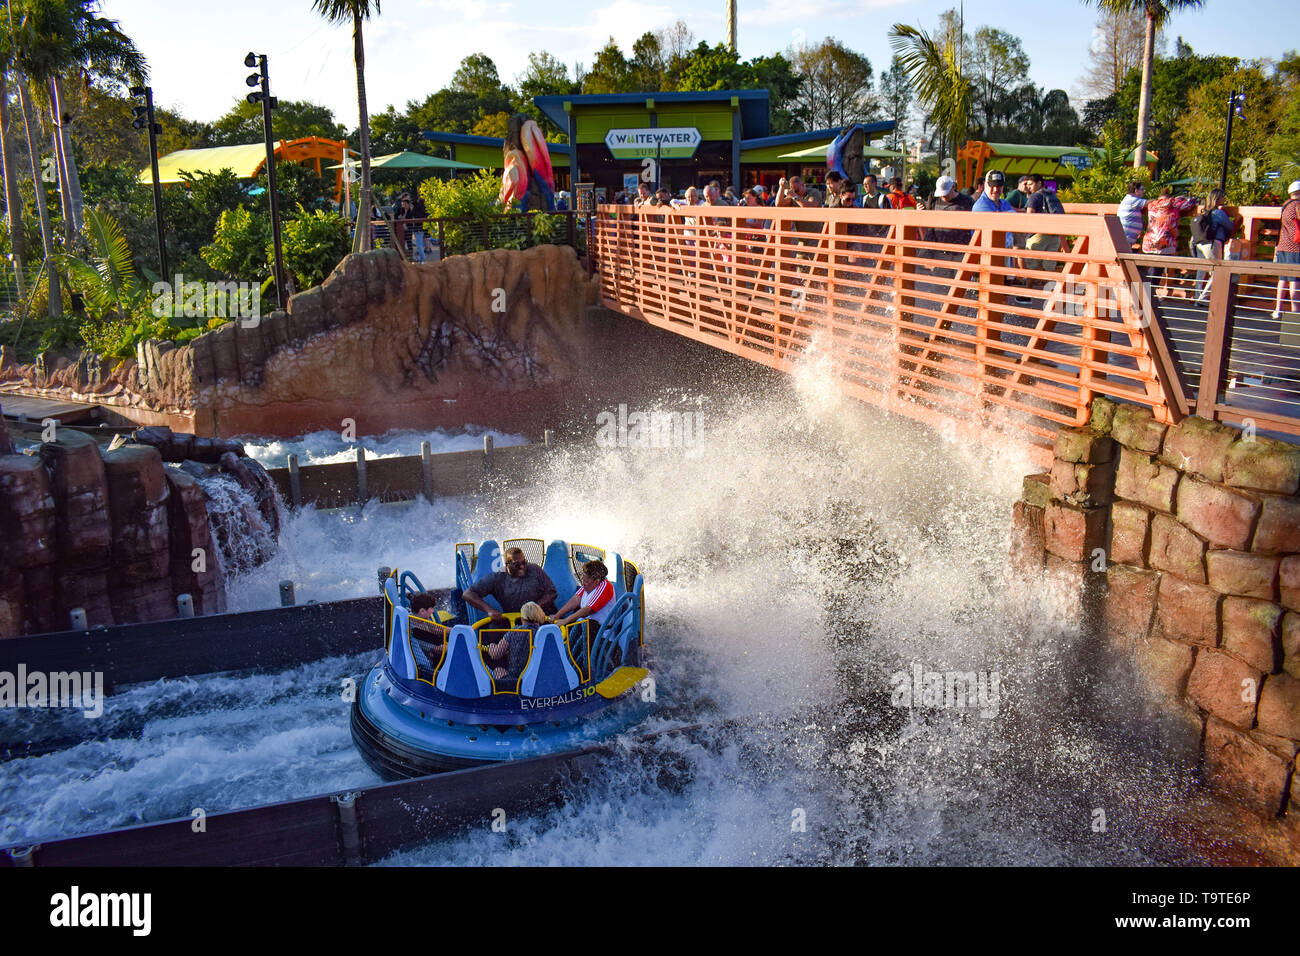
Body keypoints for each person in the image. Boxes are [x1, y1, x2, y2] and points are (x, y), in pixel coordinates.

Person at [462, 546, 558, 625]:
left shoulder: (535, 569)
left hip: (541, 616)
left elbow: (552, 592)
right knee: (491, 633)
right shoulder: (497, 577)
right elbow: (468, 594)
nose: (522, 567)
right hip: (513, 620)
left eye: (524, 562)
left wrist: (534, 609)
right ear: (507, 565)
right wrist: (489, 610)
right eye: (517, 565)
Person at [554, 559, 617, 645]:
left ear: (596, 581)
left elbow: (587, 610)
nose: (583, 583)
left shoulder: (605, 586)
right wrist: (557, 616)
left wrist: (565, 621)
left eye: (586, 581)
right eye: (583, 580)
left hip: (601, 636)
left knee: (573, 625)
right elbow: (575, 600)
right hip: (586, 628)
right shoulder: (588, 585)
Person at [1190, 188, 1237, 303]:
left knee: (1201, 271)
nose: (1224, 199)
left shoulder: (1203, 212)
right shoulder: (1219, 213)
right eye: (1222, 197)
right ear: (1217, 199)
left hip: (1199, 243)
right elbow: (1230, 226)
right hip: (1211, 243)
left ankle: (1198, 295)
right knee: (1218, 270)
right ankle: (1203, 298)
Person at [1023, 174, 1065, 286]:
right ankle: (1050, 296)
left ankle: (1026, 293)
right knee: (1049, 267)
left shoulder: (1034, 197)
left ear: (1039, 183)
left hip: (1039, 234)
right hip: (1054, 234)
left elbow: (1029, 216)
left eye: (1031, 184)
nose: (1029, 187)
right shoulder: (1052, 195)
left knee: (1032, 266)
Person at [1274, 180, 1300, 319]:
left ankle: (1277, 309)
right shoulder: (1298, 206)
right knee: (1295, 279)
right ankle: (1295, 310)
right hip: (1295, 247)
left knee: (1283, 278)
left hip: (1282, 245)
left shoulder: (1286, 205)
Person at [1117, 180, 1147, 248]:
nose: (1143, 191)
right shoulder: (1133, 200)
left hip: (1126, 237)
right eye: (1142, 189)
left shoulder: (1128, 199)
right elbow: (1149, 203)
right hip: (1125, 238)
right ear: (1136, 191)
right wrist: (1163, 201)